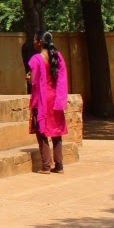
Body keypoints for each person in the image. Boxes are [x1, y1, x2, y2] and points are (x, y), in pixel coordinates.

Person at [28, 31, 70, 173]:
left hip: (42, 98)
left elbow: (34, 80)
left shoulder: (37, 59)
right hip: (55, 98)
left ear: (40, 41)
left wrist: (28, 78)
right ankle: (59, 165)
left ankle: (46, 166)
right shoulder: (58, 57)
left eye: (35, 40)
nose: (34, 43)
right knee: (56, 131)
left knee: (42, 131)